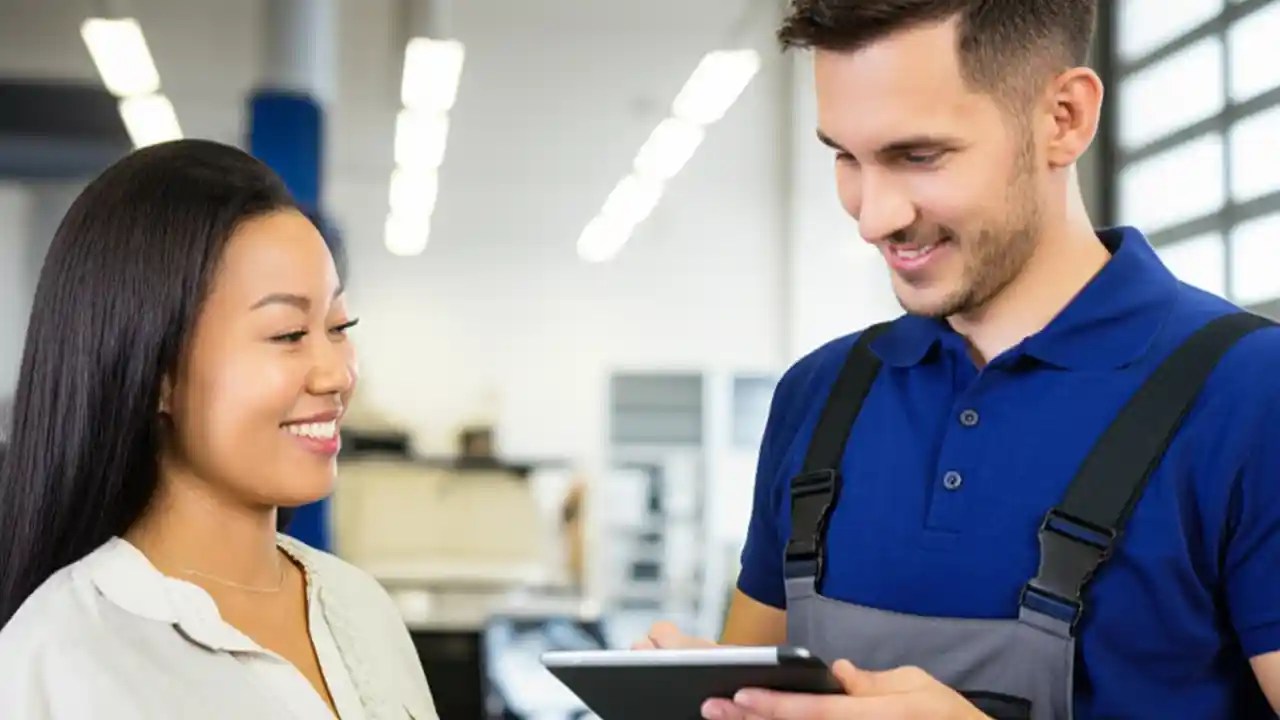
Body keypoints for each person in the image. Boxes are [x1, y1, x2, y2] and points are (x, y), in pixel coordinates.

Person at [639, 1, 1280, 718]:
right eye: (845, 156)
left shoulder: (1253, 396)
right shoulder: (818, 396)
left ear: (1063, 117)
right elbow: (754, 689)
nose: (872, 216)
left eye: (918, 156)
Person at [0, 140, 438, 719]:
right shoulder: (59, 655)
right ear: (157, 373)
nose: (337, 373)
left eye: (339, 325)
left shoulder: (360, 608)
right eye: (288, 334)